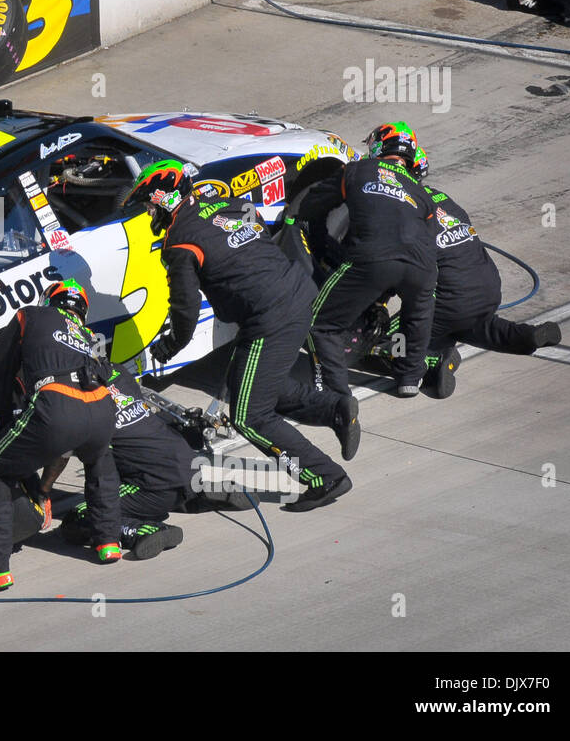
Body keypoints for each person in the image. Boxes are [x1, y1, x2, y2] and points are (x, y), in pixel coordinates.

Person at [135, 159, 357, 512]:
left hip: (271, 319)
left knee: (248, 415)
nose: (149, 214)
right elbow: (249, 226)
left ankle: (325, 477)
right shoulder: (222, 205)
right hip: (297, 295)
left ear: (162, 199)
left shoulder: (179, 243)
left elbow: (185, 308)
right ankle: (334, 408)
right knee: (249, 386)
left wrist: (171, 345)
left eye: (148, 205)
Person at [0, 279, 122, 590]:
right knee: (100, 459)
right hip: (103, 409)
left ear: (49, 299)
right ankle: (108, 543)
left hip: (58, 405)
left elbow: (2, 368)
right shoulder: (91, 336)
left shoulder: (30, 315)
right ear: (82, 310)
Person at [371, 147, 562, 397]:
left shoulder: (401, 207)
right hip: (488, 287)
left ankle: (432, 362)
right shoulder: (444, 199)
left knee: (382, 342)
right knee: (476, 326)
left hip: (450, 299)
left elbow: (395, 263)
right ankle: (526, 336)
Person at [297, 122, 439, 399]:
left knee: (320, 323)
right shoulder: (422, 193)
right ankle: (410, 378)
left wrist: (315, 238)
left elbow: (313, 204)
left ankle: (335, 394)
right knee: (416, 317)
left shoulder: (356, 170)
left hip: (374, 260)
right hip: (422, 269)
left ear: (379, 144)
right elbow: (430, 238)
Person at [52, 368, 254, 559]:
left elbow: (60, 454)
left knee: (79, 517)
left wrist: (42, 492)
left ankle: (144, 531)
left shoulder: (73, 403)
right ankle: (199, 495)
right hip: (188, 464)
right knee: (140, 471)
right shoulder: (119, 373)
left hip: (155, 483)